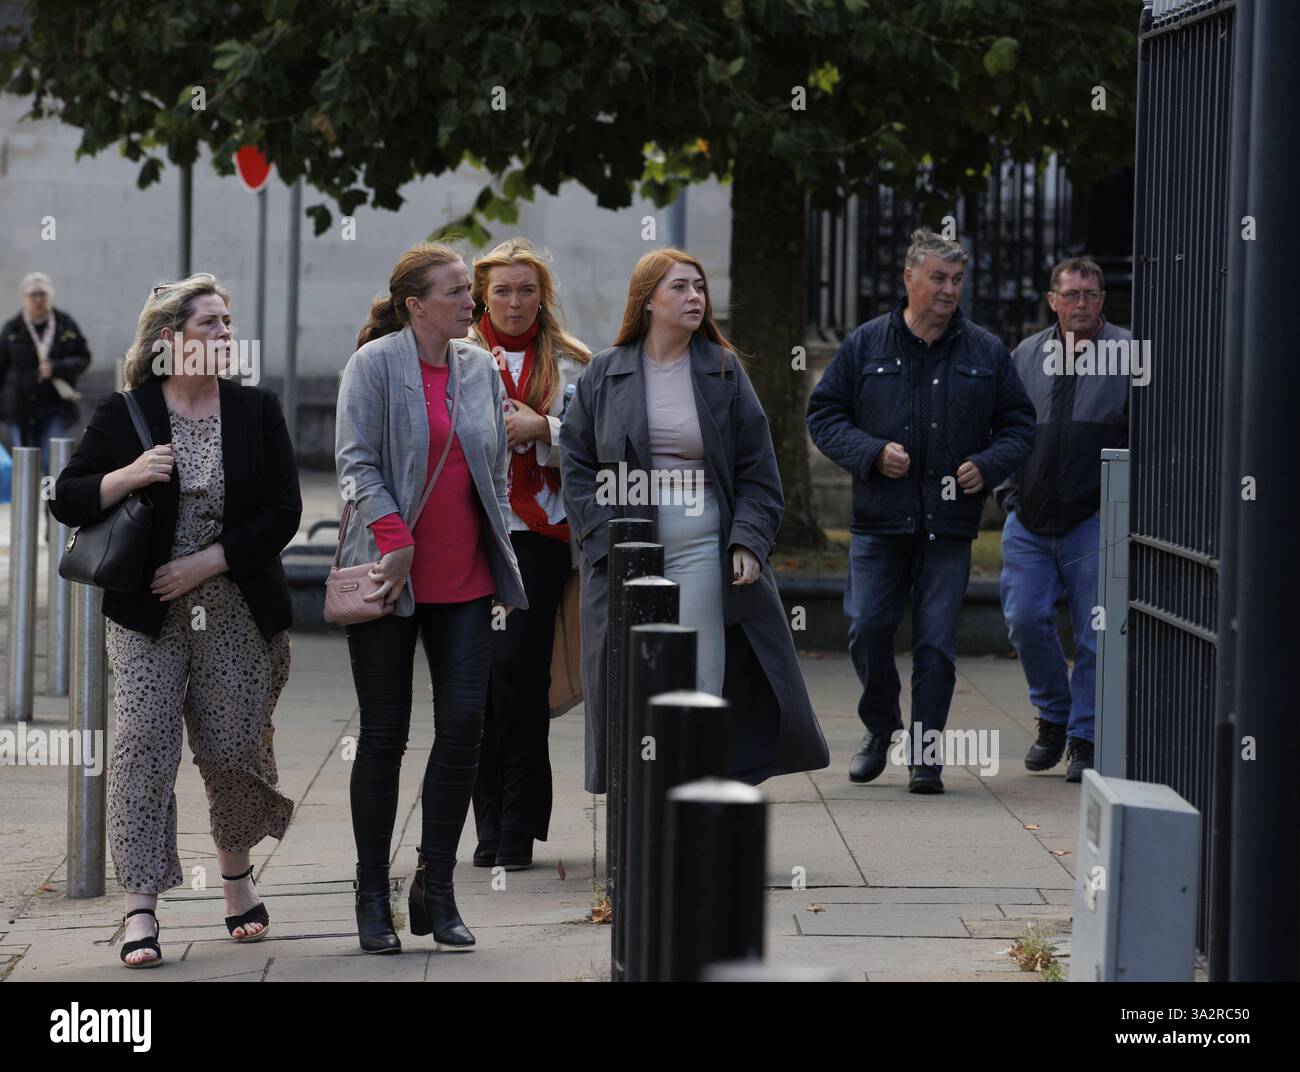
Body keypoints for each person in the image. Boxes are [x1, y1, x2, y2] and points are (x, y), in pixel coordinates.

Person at [50, 274, 302, 967]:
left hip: (234, 612)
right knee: (141, 745)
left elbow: (285, 511)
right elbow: (68, 499)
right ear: (171, 342)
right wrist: (128, 476)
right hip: (146, 616)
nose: (226, 334)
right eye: (212, 325)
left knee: (230, 752)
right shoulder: (125, 413)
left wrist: (209, 561)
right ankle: (139, 907)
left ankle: (234, 880)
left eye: (228, 322)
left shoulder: (256, 411)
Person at [560, 247, 828, 792]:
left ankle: (695, 802)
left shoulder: (723, 370)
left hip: (705, 548)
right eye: (680, 287)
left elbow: (758, 470)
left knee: (704, 675)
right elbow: (577, 467)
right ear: (648, 300)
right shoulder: (603, 374)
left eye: (699, 288)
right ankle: (644, 804)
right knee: (635, 681)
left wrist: (748, 543)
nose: (695, 298)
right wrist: (605, 545)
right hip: (627, 554)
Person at [336, 241, 528, 955]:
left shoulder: (478, 367)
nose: (470, 302)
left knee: (467, 724)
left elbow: (496, 460)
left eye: (466, 290)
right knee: (384, 733)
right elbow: (354, 463)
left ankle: (436, 886)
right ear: (415, 303)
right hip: (391, 574)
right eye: (455, 291)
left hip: (467, 577)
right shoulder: (374, 365)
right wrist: (394, 536)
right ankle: (369, 893)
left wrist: (499, 523)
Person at [807, 229, 1035, 794]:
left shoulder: (985, 350)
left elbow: (1020, 426)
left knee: (936, 640)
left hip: (950, 526)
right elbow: (825, 415)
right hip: (880, 522)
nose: (948, 290)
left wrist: (988, 463)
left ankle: (926, 752)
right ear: (909, 278)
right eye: (938, 278)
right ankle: (880, 728)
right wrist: (869, 453)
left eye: (957, 280)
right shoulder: (865, 345)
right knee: (866, 628)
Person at [467, 238, 591, 871]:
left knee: (517, 669)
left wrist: (544, 430)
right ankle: (487, 823)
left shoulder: (569, 361)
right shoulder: (456, 354)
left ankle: (516, 824)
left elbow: (600, 439)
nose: (515, 303)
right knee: (476, 682)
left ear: (543, 296)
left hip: (540, 534)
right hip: (466, 532)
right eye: (502, 291)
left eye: (527, 290)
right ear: (481, 295)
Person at [995, 257, 1131, 782]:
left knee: (1096, 633)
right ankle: (1053, 717)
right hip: (1028, 519)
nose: (1081, 304)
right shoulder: (1025, 355)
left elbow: (1150, 435)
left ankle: (1085, 736)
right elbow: (1003, 431)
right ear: (1052, 299)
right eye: (1071, 294)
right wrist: (1008, 494)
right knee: (1024, 620)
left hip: (1093, 519)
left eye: (1091, 295)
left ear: (1103, 300)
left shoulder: (1127, 354)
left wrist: (1118, 505)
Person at [0, 272, 92, 475]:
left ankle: (49, 504)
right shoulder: (12, 328)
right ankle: (26, 506)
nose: (38, 299)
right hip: (20, 408)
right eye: (33, 295)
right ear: (24, 298)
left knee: (51, 461)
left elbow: (83, 357)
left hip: (55, 406)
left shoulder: (65, 324)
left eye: (42, 294)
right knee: (25, 462)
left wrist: (57, 367)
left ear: (51, 295)